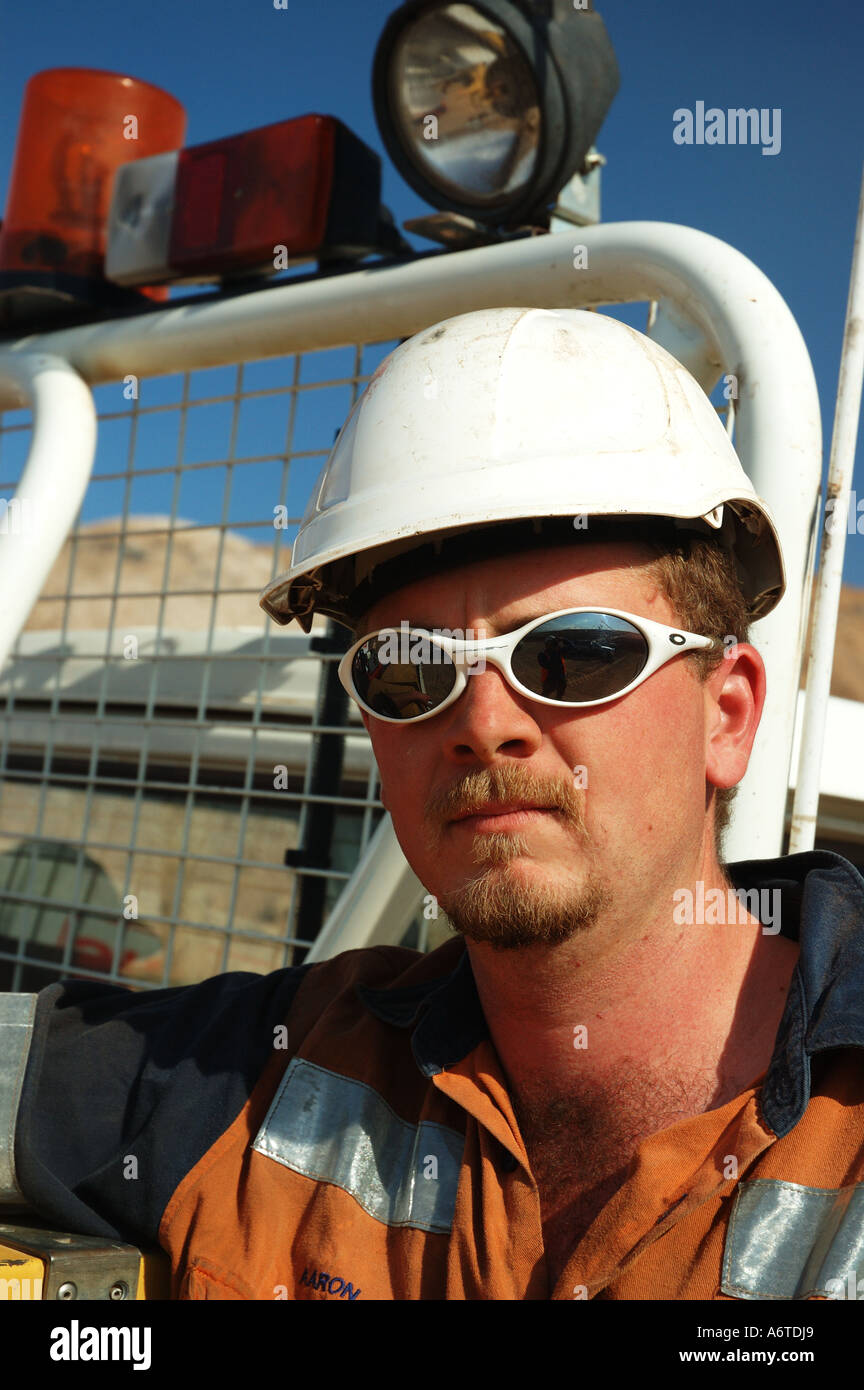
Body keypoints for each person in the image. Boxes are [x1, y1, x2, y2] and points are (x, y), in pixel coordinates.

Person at [2, 307, 863, 1302]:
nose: (484, 721)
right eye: (410, 668)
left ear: (728, 714)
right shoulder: (255, 1076)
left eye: (572, 654)